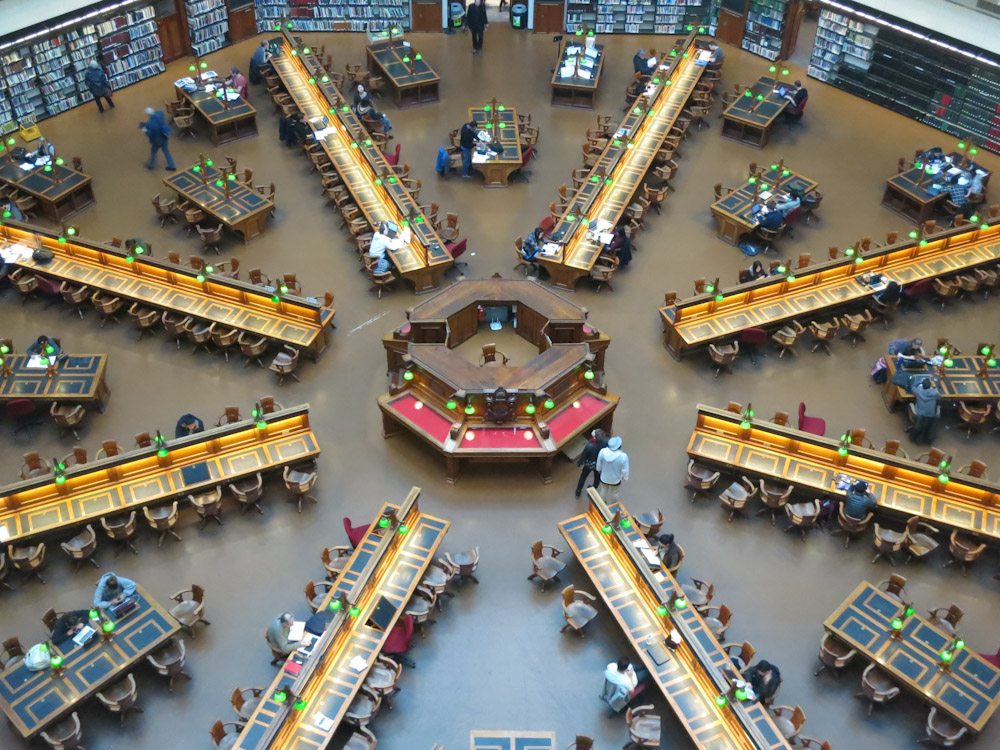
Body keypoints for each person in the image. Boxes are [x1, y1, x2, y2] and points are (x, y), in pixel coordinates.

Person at [575, 428, 608, 498]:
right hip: (599, 464)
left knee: (583, 477)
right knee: (597, 478)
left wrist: (579, 463)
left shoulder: (589, 446)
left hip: (589, 464)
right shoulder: (606, 442)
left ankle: (578, 491)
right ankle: (593, 490)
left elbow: (583, 456)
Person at [908, 376, 940, 444]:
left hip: (919, 416)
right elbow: (939, 395)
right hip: (931, 417)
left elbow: (912, 387)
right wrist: (934, 388)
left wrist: (920, 381)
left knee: (909, 405)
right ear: (930, 386)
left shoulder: (919, 391)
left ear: (922, 386)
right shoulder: (935, 394)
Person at [596, 436, 629, 502]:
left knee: (603, 490)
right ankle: (613, 505)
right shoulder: (623, 456)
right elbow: (625, 470)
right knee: (615, 493)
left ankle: (602, 503)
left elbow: (599, 464)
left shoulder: (602, 452)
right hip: (616, 479)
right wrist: (625, 477)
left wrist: (599, 470)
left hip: (604, 477)